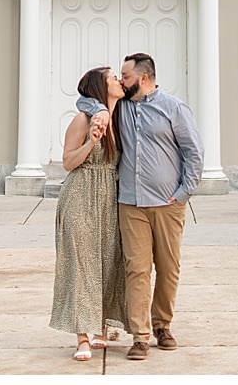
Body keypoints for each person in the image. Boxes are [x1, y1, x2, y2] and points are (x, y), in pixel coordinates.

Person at [78, 52, 203, 361]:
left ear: (144, 79)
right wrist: (99, 110)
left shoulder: (174, 108)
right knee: (137, 269)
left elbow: (194, 152)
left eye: (127, 76)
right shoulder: (120, 108)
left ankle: (163, 326)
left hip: (168, 204)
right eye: (119, 76)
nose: (121, 81)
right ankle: (140, 336)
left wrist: (184, 192)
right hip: (130, 203)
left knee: (169, 267)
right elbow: (83, 100)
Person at [49, 66, 129, 361]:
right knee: (80, 264)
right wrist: (92, 142)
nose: (119, 81)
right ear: (100, 86)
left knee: (108, 262)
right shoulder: (82, 120)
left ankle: (101, 329)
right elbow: (68, 162)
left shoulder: (120, 117)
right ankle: (82, 337)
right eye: (112, 79)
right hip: (81, 194)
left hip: (110, 196)